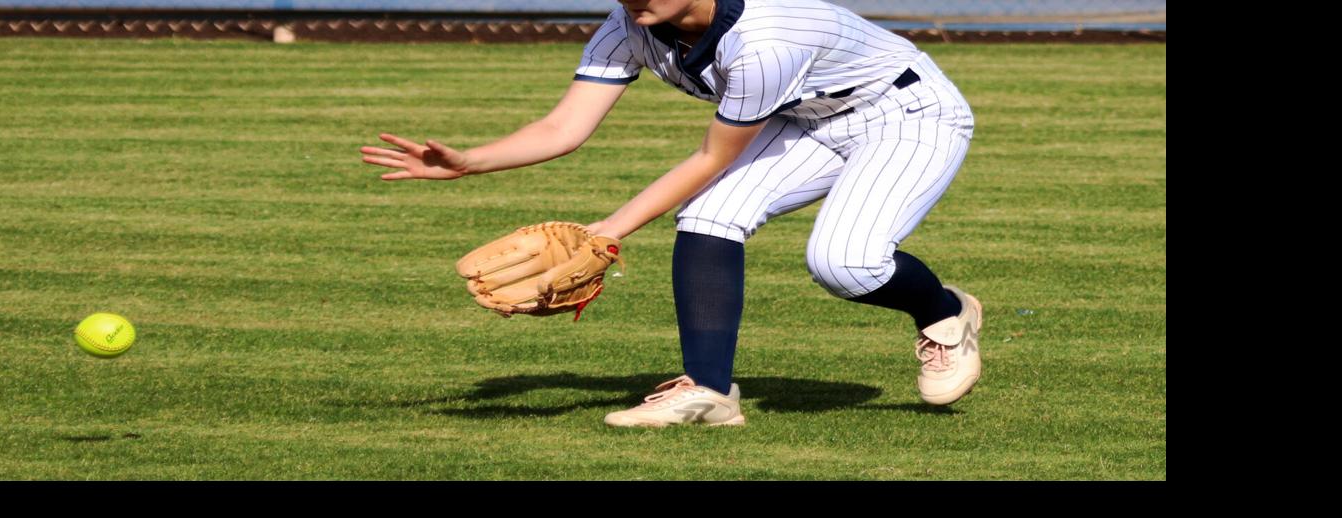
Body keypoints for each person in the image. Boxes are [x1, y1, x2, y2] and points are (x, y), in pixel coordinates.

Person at [361, 0, 981, 427]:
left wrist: (605, 232)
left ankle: (943, 312)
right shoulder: (630, 22)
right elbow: (564, 125)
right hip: (806, 119)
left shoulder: (766, 36)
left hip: (906, 115)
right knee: (709, 215)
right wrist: (470, 161)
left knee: (843, 264)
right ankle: (709, 393)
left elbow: (712, 155)